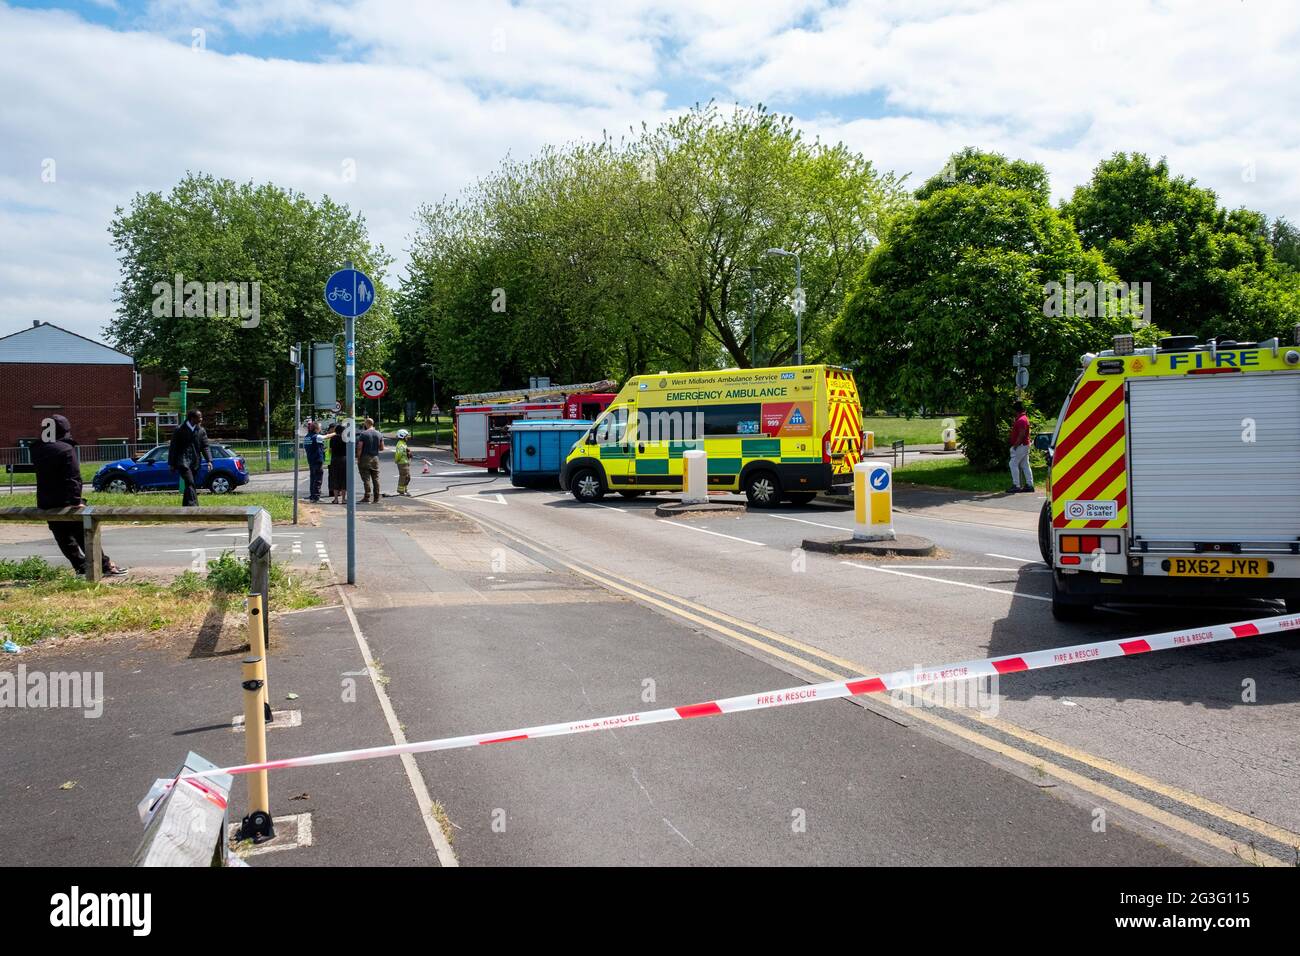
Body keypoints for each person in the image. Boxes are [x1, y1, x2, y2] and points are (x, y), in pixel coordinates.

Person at [31, 414, 125, 577]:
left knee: (63, 537)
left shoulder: (37, 449)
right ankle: (104, 565)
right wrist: (76, 500)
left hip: (46, 501)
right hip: (67, 500)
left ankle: (80, 566)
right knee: (82, 532)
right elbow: (73, 476)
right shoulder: (66, 449)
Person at [168, 409, 213, 506]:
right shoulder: (179, 429)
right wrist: (171, 463)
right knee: (190, 482)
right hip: (182, 461)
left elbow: (205, 446)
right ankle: (193, 506)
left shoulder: (201, 430)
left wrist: (209, 461)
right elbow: (173, 447)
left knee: (190, 484)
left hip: (195, 461)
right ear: (192, 418)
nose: (201, 419)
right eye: (199, 417)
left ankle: (186, 506)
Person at [1008, 400, 1033, 493]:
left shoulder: (1021, 420)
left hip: (1020, 445)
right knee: (1025, 465)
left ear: (1016, 410)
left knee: (1013, 464)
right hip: (1024, 445)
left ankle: (1016, 485)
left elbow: (1021, 434)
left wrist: (1015, 445)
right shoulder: (1023, 418)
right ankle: (1029, 485)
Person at [356, 417, 384, 503]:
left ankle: (367, 496)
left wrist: (358, 458)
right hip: (375, 458)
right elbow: (382, 448)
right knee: (376, 478)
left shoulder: (363, 434)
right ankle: (376, 497)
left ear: (366, 424)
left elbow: (360, 447)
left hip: (365, 457)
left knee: (366, 478)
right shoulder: (379, 434)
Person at [303, 420, 325, 502]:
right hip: (317, 459)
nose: (320, 429)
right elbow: (326, 436)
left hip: (311, 459)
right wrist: (335, 433)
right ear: (316, 429)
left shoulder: (307, 437)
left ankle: (312, 495)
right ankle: (316, 496)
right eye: (320, 428)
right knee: (318, 478)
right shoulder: (317, 436)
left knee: (313, 478)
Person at [328, 421, 347, 504]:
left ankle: (336, 499)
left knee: (335, 478)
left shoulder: (333, 439)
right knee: (344, 479)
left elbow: (331, 450)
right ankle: (343, 499)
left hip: (335, 459)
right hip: (344, 459)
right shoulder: (345, 439)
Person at [394, 428, 411, 496]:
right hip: (402, 463)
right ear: (402, 436)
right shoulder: (400, 444)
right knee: (404, 476)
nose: (407, 437)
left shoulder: (403, 443)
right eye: (406, 436)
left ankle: (404, 490)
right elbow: (399, 453)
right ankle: (401, 491)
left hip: (405, 462)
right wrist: (397, 460)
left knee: (407, 477)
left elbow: (404, 452)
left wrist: (408, 453)